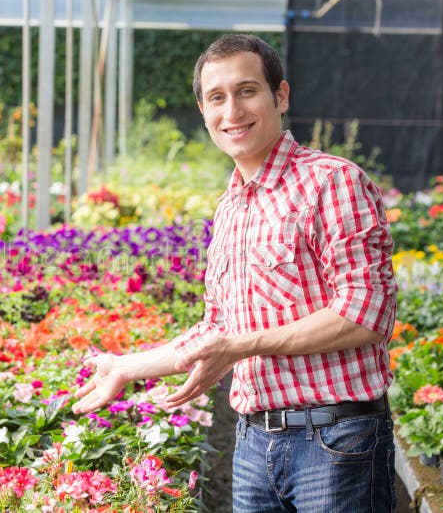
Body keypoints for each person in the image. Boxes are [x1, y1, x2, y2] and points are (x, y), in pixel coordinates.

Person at [72, 34, 398, 512]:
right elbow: (220, 328)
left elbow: (366, 313)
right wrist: (127, 366)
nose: (232, 112)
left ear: (280, 96)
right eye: (217, 98)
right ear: (203, 111)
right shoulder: (231, 207)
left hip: (337, 443)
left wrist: (240, 347)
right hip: (253, 445)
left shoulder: (332, 182)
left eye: (247, 91)